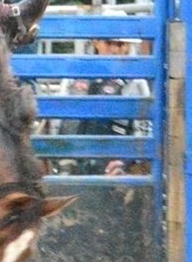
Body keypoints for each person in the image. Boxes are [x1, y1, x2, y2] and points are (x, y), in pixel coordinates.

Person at [62, 32, 152, 176]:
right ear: (96, 42)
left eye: (120, 44)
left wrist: (126, 162)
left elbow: (144, 131)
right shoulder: (75, 78)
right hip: (76, 163)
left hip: (119, 168)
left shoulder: (136, 82)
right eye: (109, 43)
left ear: (127, 47)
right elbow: (60, 123)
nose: (115, 50)